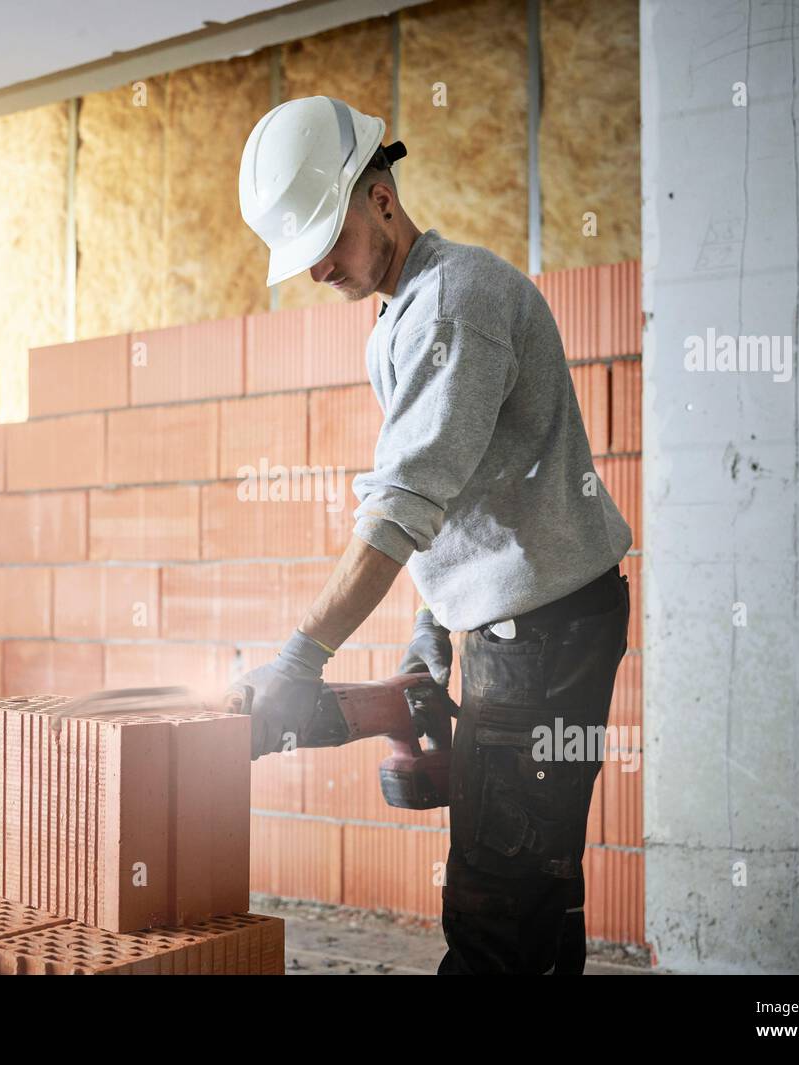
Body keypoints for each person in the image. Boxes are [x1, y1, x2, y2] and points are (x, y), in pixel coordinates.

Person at [232, 95, 632, 975]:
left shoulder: (455, 305)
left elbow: (403, 505)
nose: (317, 270)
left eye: (325, 241)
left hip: (543, 636)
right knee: (539, 887)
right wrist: (429, 635)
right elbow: (442, 500)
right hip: (531, 627)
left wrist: (302, 658)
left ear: (381, 197)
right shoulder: (403, 315)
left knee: (493, 902)